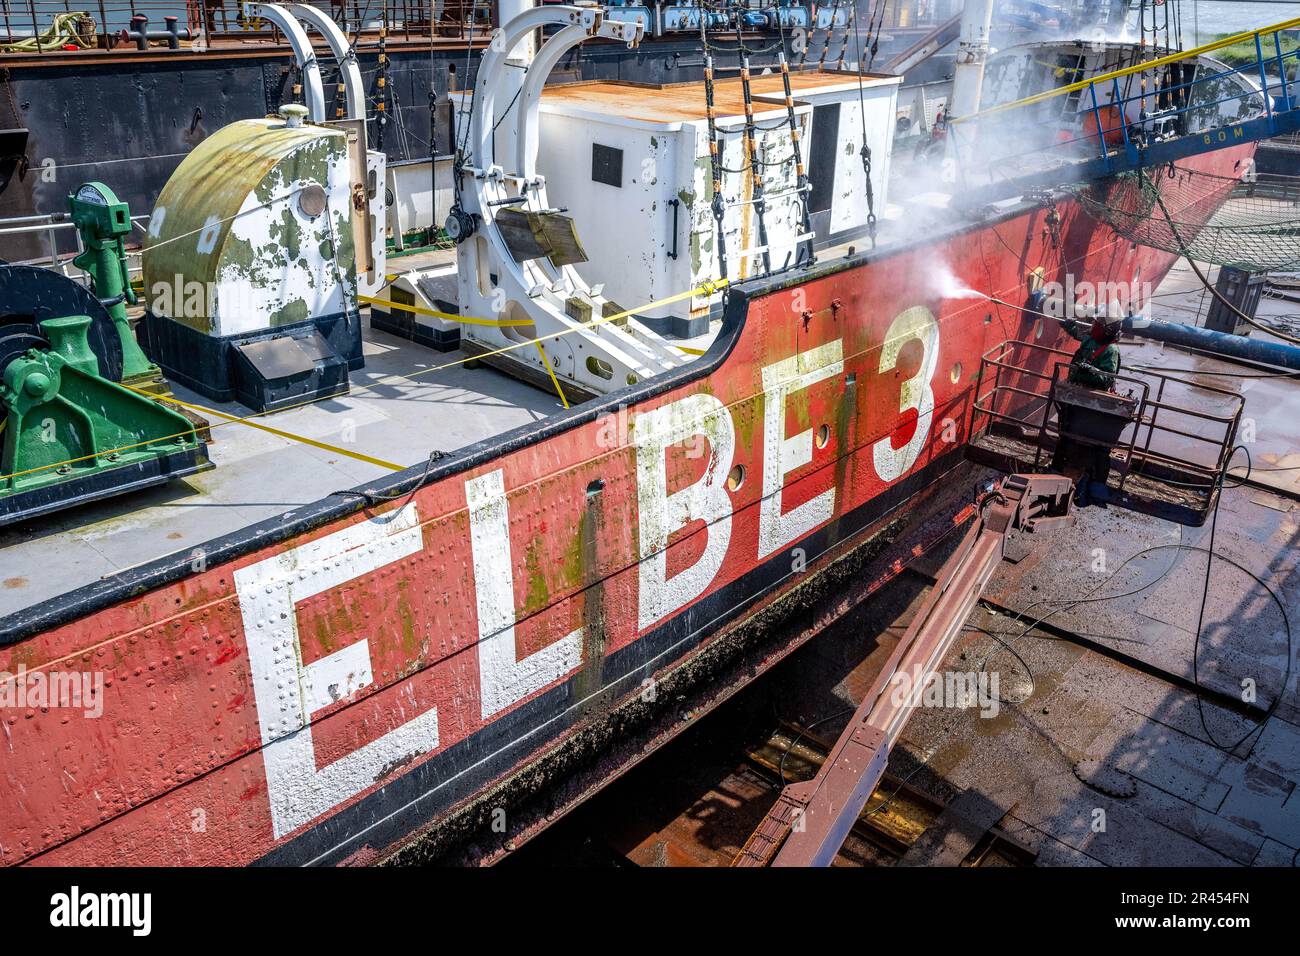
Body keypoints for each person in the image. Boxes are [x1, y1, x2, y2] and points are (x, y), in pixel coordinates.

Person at [1050, 305, 1125, 504]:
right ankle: (1056, 467)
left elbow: (1107, 379)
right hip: (1076, 395)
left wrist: (1090, 370)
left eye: (1097, 324)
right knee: (1065, 435)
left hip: (1094, 403)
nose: (1093, 325)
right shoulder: (1092, 338)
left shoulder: (1111, 351)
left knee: (1098, 447)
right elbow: (1078, 333)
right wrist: (1066, 324)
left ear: (1107, 330)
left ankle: (1096, 482)